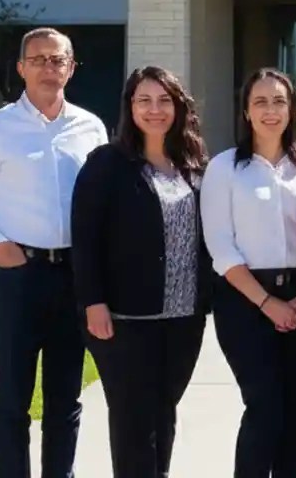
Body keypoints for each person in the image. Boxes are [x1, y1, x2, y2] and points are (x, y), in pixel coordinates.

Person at [0, 26, 109, 478]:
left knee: (65, 398)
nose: (48, 67)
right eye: (38, 59)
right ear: (21, 68)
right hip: (19, 277)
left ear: (71, 68)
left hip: (73, 277)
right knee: (12, 399)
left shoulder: (91, 128)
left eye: (57, 59)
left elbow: (100, 204)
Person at [71, 66, 212, 478]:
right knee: (133, 420)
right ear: (130, 107)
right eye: (144, 101)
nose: (155, 110)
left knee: (164, 412)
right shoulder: (106, 165)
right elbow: (85, 239)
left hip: (184, 318)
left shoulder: (192, 165)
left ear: (178, 106)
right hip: (124, 320)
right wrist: (92, 302)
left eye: (164, 100)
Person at [201, 68, 296, 477]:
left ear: (292, 110)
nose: (271, 110)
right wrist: (269, 304)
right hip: (245, 302)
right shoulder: (224, 168)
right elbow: (221, 248)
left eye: (279, 101)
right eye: (260, 102)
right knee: (264, 406)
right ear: (246, 112)